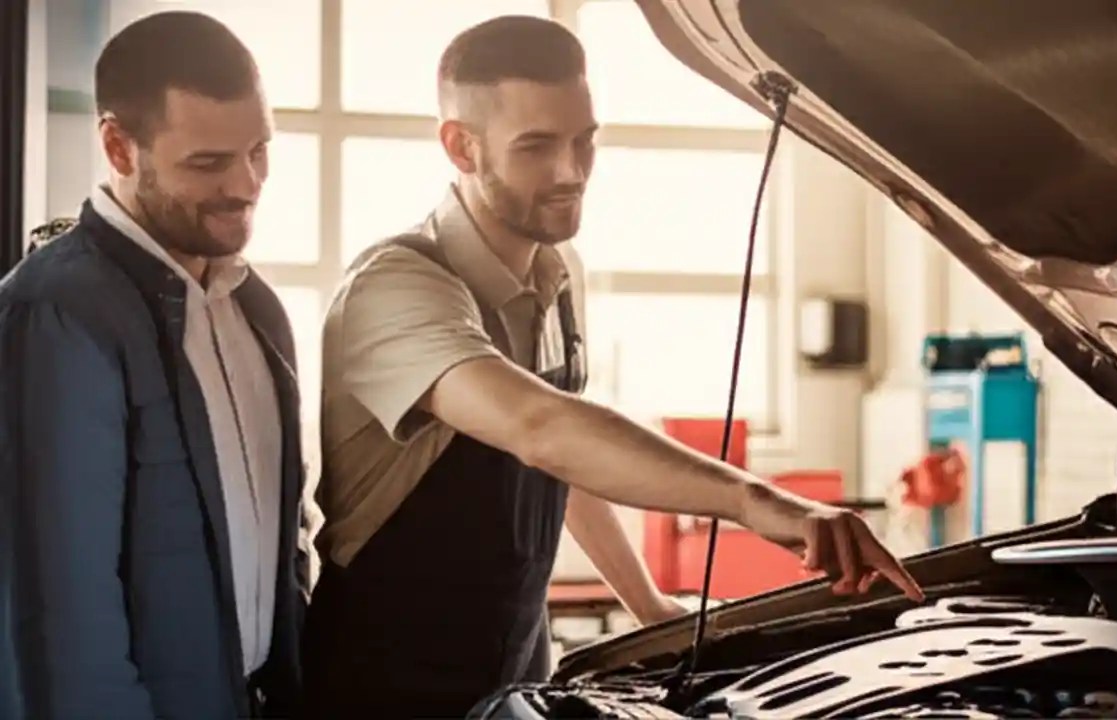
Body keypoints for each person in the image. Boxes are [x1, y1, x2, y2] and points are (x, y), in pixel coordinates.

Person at [301, 15, 923, 718]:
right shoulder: (396, 288)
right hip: (382, 693)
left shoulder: (558, 275)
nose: (571, 173)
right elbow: (540, 426)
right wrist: (755, 499)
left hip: (510, 681)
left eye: (583, 141)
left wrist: (648, 605)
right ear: (461, 146)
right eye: (536, 147)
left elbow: (565, 464)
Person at [0, 11, 309, 720]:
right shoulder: (57, 313)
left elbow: (285, 542)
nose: (246, 184)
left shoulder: (257, 309)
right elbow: (60, 621)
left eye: (258, 150)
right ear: (118, 145)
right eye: (207, 163)